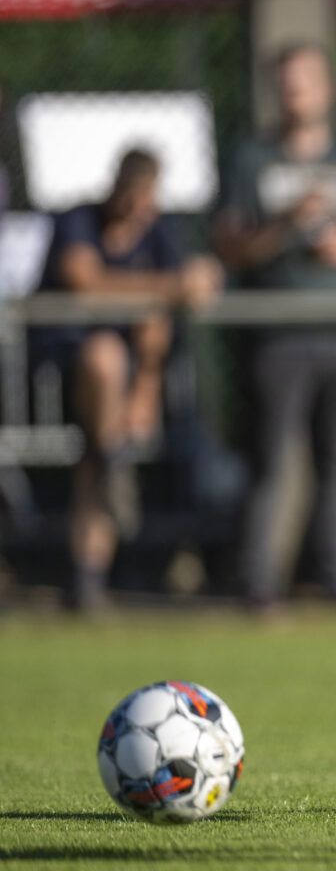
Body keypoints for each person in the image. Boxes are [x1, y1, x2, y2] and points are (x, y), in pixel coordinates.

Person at [214, 43, 336, 611]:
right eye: (287, 84)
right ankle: (259, 584)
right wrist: (285, 226)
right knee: (272, 460)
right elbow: (230, 247)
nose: (297, 93)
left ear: (326, 89)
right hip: (276, 330)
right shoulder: (251, 159)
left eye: (306, 82)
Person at [37, 148, 221, 609]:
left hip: (133, 386)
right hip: (68, 372)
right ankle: (114, 452)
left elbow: (194, 286)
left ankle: (91, 572)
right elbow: (82, 277)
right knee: (105, 355)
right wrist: (168, 285)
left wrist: (145, 388)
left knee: (95, 462)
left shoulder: (158, 232)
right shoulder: (81, 219)